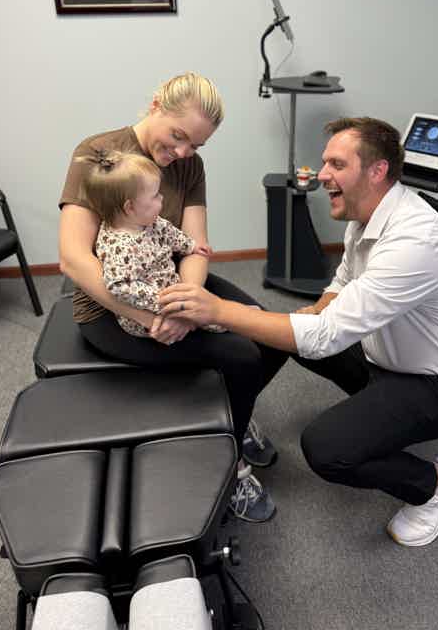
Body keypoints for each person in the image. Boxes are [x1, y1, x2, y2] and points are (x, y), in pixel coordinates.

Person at [159, 116, 438, 547]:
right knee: (287, 328)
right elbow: (340, 287)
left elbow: (322, 337)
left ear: (376, 171)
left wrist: (219, 310)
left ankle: (435, 485)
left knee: (327, 447)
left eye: (336, 165)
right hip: (390, 354)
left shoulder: (414, 243)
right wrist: (305, 317)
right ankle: (233, 421)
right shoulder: (364, 217)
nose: (322, 175)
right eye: (325, 163)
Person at [59, 72, 287, 523]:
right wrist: (152, 316)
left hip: (172, 284)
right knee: (242, 357)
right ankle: (229, 463)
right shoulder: (98, 154)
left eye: (195, 146)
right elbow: (73, 260)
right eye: (179, 137)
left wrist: (189, 300)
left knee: (270, 332)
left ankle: (227, 419)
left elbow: (196, 242)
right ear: (158, 103)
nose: (182, 154)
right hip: (112, 308)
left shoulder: (188, 166)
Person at [79, 150, 225, 335]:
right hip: (147, 312)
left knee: (202, 303)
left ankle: (221, 317)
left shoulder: (149, 220)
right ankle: (225, 322)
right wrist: (164, 302)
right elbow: (120, 287)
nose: (162, 198)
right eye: (155, 195)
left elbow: (169, 232)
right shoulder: (120, 247)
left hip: (169, 285)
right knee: (200, 315)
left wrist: (191, 245)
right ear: (130, 207)